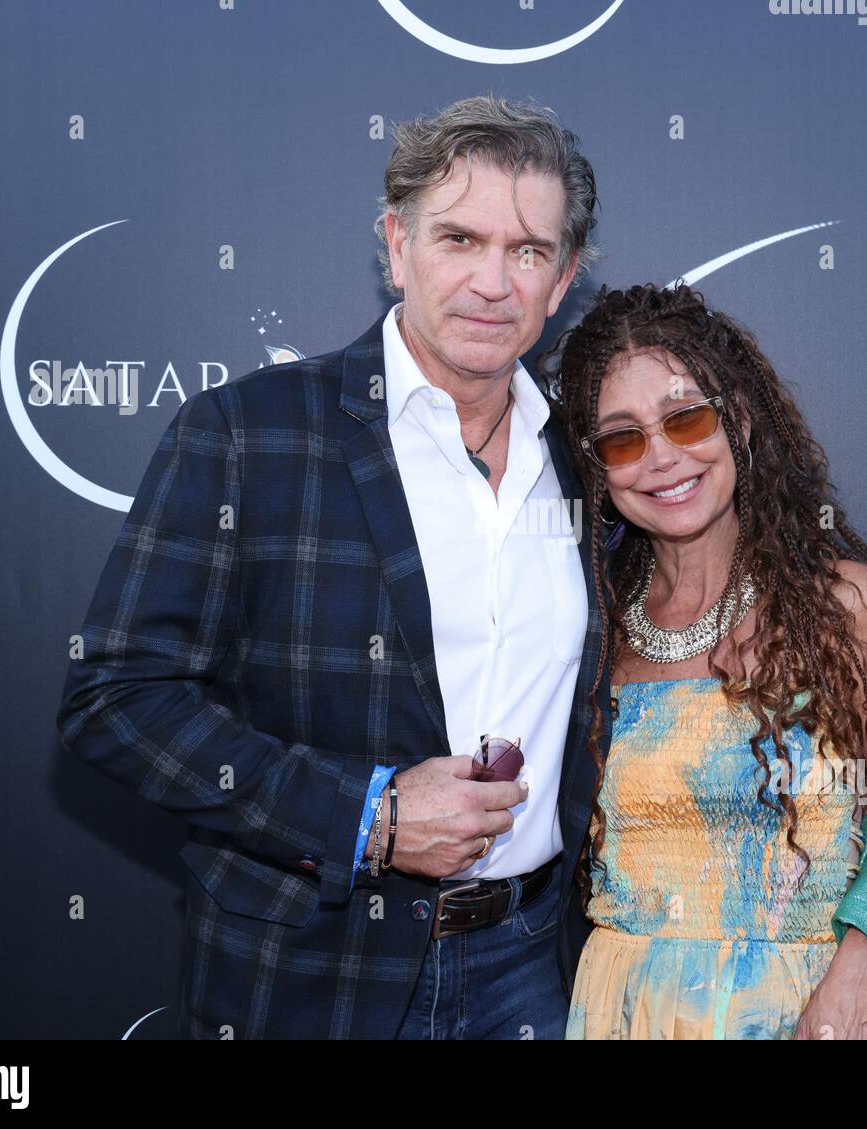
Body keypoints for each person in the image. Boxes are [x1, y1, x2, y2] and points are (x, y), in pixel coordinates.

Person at [54, 94, 614, 1039]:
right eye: (458, 239)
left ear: (561, 283)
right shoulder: (245, 434)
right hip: (312, 974)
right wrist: (369, 816)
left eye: (527, 251)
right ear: (396, 246)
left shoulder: (592, 461)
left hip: (532, 967)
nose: (491, 280)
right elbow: (115, 699)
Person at [539, 282, 867, 1039]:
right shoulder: (591, 631)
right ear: (597, 467)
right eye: (623, 438)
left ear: (736, 418)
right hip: (622, 1011)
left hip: (809, 1010)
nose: (661, 457)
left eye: (685, 418)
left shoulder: (843, 607)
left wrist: (859, 974)